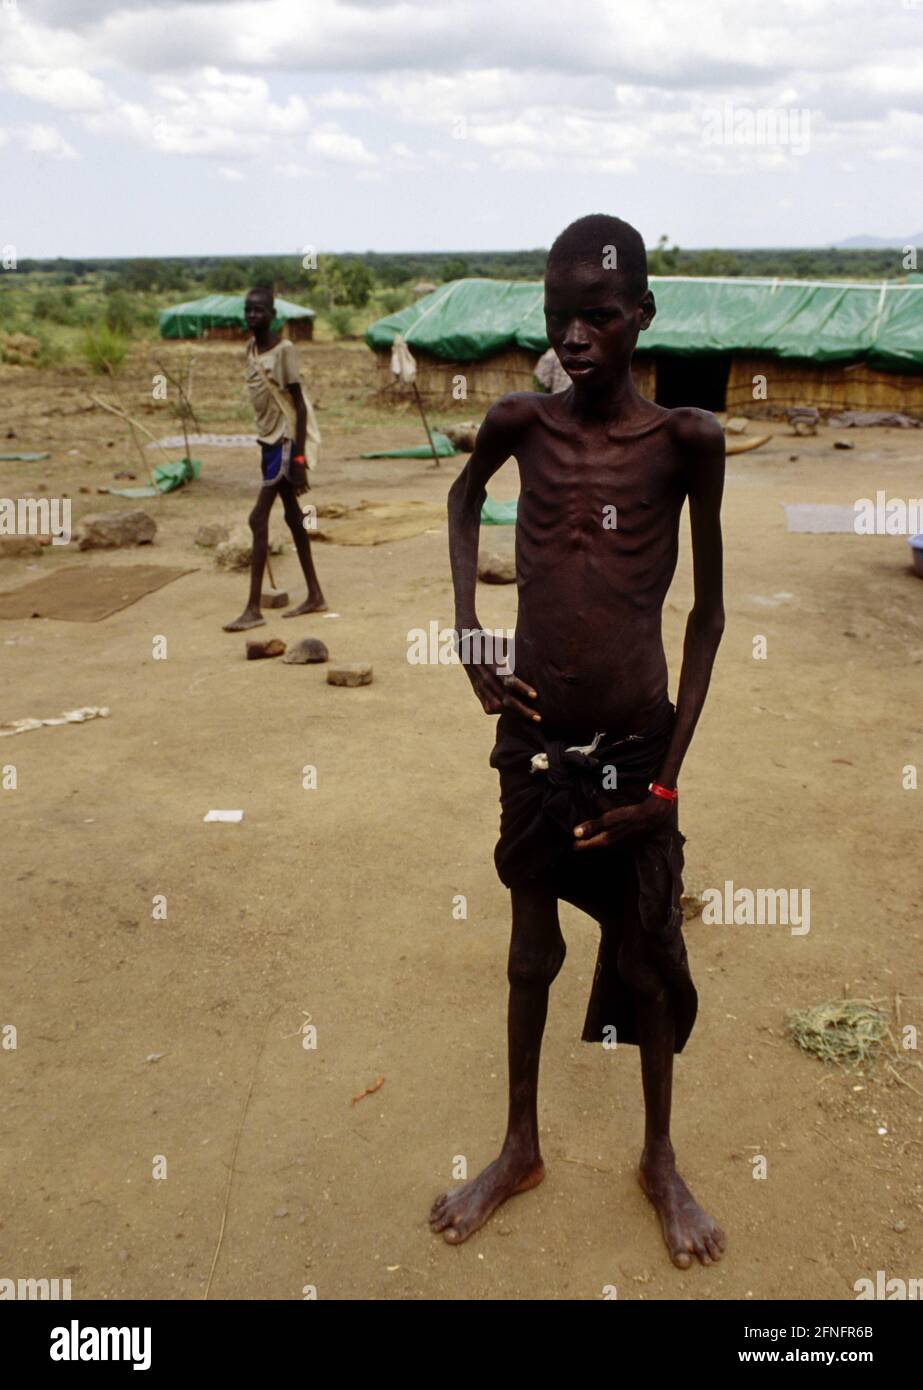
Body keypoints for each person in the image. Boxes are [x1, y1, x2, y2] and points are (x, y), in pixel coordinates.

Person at [433, 214, 727, 1268]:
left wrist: (665, 782)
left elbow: (705, 615)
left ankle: (657, 1157)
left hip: (634, 743)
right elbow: (461, 500)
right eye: (560, 318)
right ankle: (518, 1146)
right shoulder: (521, 424)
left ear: (641, 316)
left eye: (598, 316)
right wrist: (470, 635)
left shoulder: (685, 443)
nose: (576, 337)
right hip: (536, 736)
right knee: (529, 949)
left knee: (646, 958)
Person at [223, 286, 326, 631]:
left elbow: (297, 402)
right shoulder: (251, 349)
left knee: (257, 518)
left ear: (272, 315)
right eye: (248, 310)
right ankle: (315, 595)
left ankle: (253, 609)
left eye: (259, 311)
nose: (252, 316)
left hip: (284, 440)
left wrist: (298, 459)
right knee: (294, 518)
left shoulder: (285, 351)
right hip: (267, 440)